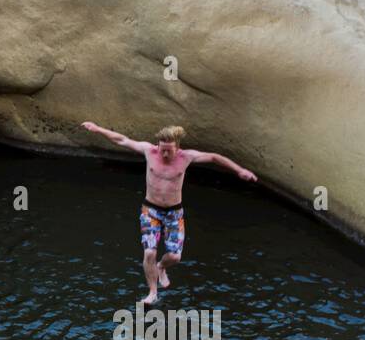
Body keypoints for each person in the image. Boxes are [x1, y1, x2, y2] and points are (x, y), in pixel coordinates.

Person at [80, 122, 257, 304]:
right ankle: (152, 293)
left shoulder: (186, 157)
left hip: (174, 213)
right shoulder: (149, 151)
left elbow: (213, 157)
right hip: (151, 210)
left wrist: (239, 170)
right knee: (149, 252)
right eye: (162, 149)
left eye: (168, 151)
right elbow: (122, 140)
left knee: (175, 256)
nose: (164, 154)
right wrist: (98, 129)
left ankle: (161, 266)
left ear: (177, 148)